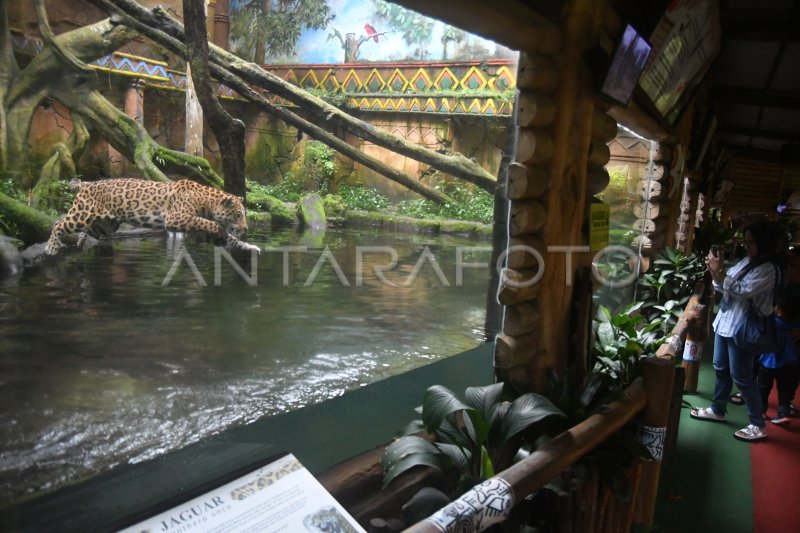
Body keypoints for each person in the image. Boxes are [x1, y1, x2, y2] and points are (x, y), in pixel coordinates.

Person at [690, 221, 783, 441]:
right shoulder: (746, 261)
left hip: (742, 329)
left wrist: (720, 271)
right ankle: (718, 409)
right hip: (726, 323)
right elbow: (725, 287)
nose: (747, 245)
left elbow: (741, 290)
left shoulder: (769, 268)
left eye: (751, 242)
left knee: (742, 377)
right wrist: (716, 274)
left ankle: (758, 424)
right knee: (720, 369)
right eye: (746, 241)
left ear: (764, 243)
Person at [757, 292, 799, 425]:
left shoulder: (773, 322)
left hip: (768, 362)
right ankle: (782, 413)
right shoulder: (796, 324)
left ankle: (761, 412)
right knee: (785, 390)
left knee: (763, 388)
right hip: (789, 363)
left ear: (779, 312)